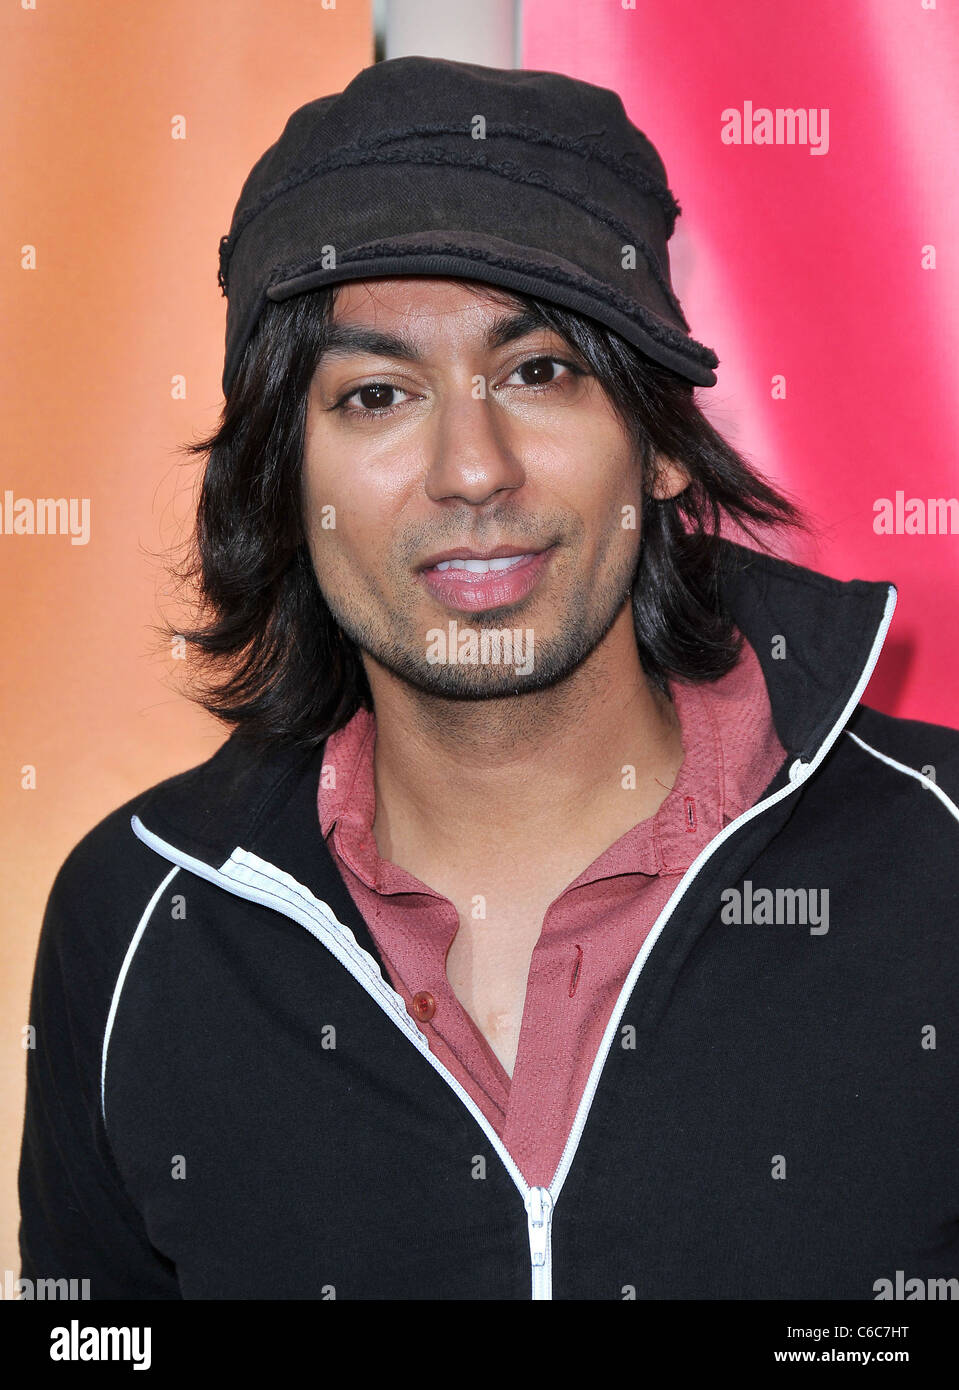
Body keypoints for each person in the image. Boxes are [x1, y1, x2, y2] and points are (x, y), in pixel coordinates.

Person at [18, 56, 959, 1301]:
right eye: (375, 393)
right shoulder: (136, 919)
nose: (472, 468)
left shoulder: (934, 861)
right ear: (284, 488)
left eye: (538, 372)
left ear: (660, 446)